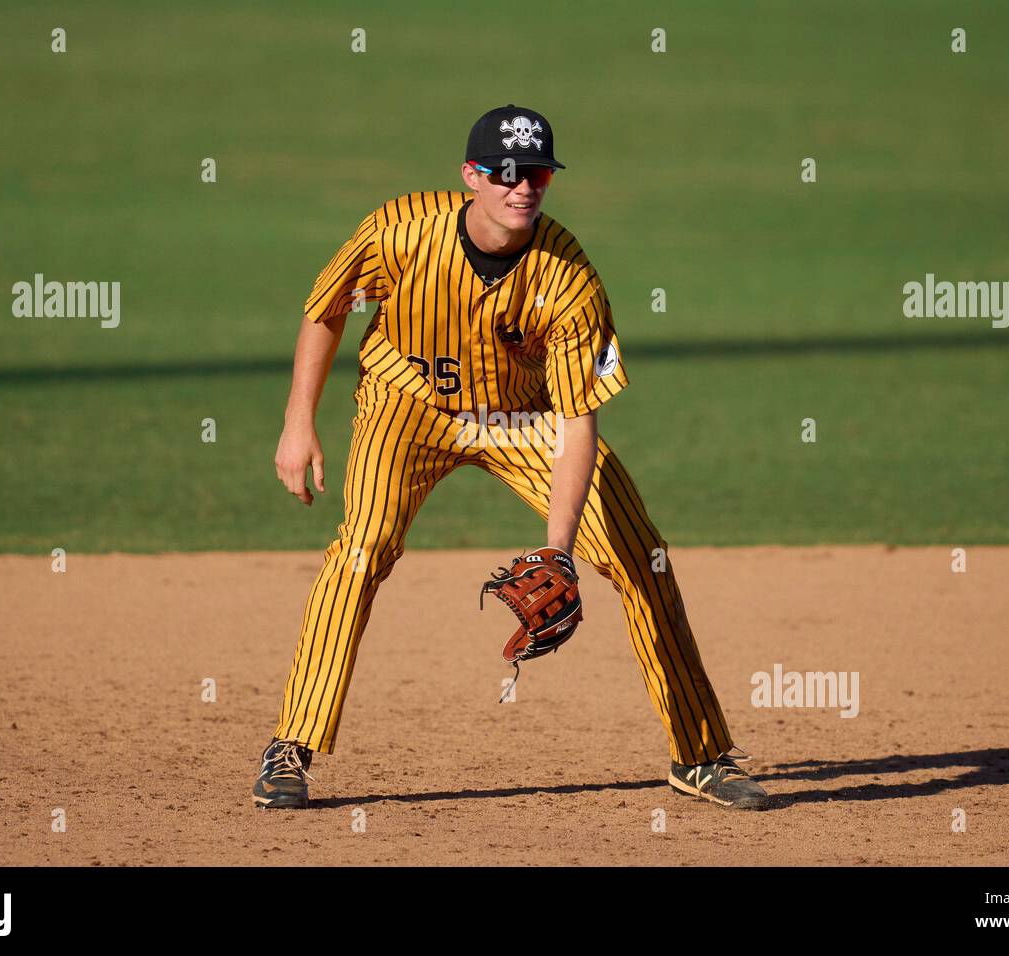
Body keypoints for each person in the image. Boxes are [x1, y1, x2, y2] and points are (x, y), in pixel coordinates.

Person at [253, 104, 767, 812]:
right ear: (471, 175)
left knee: (640, 554)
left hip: (524, 418)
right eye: (505, 172)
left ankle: (702, 755)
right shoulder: (400, 231)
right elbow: (328, 305)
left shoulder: (568, 277)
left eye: (538, 174)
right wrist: (296, 421)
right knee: (363, 549)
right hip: (407, 405)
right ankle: (291, 748)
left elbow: (576, 417)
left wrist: (559, 551)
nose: (523, 186)